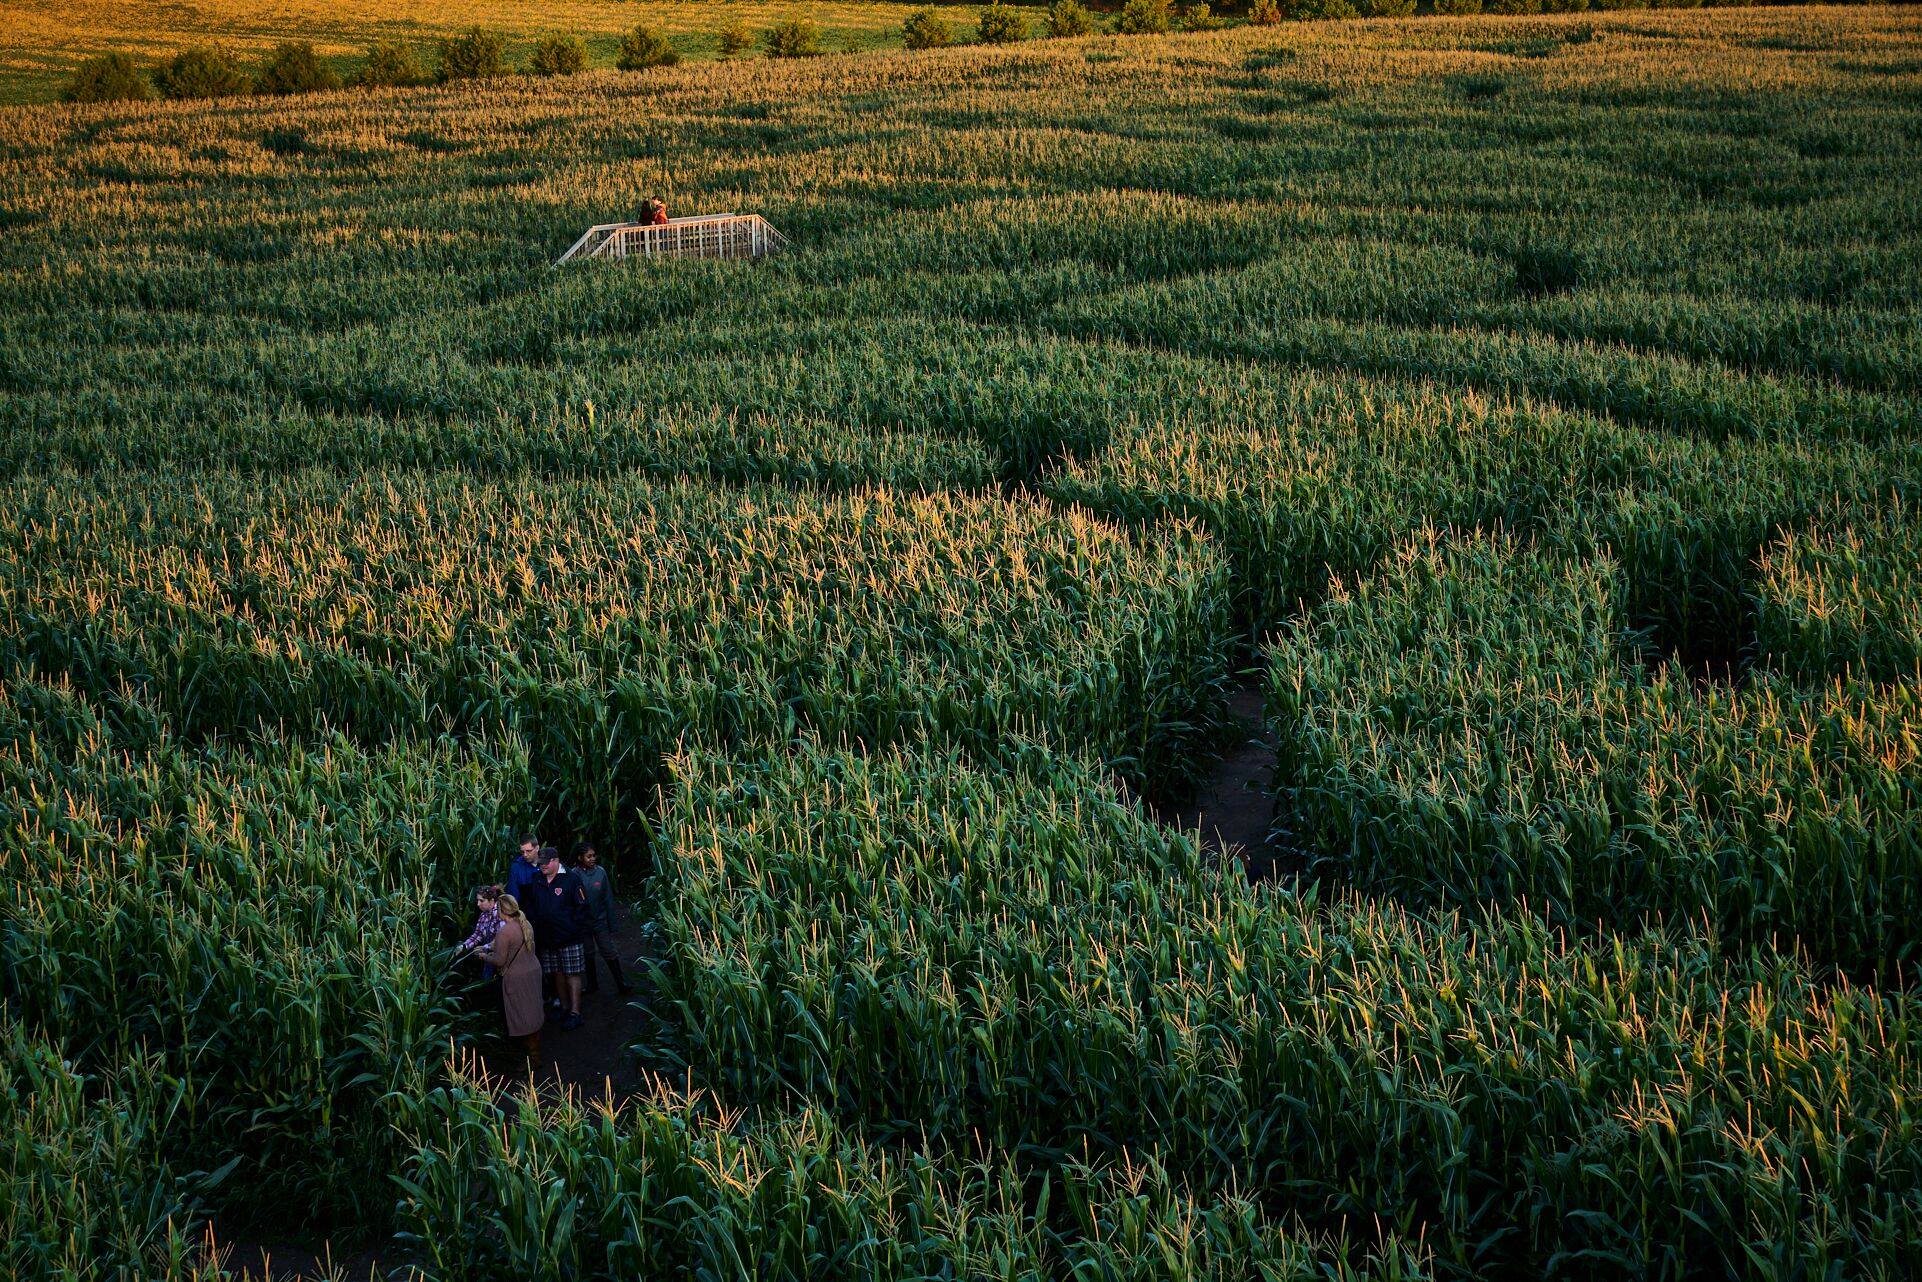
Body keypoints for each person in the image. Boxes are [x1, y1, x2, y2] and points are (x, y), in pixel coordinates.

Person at [524, 847, 590, 1030]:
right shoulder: (537, 878)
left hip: (569, 937)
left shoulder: (571, 879)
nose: (542, 866)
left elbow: (582, 907)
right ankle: (564, 1007)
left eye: (545, 863)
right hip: (547, 937)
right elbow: (532, 904)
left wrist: (573, 927)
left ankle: (576, 1013)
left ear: (556, 861)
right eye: (540, 864)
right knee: (557, 973)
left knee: (572, 973)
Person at [478, 894, 543, 1057]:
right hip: (533, 971)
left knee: (520, 1015)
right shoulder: (525, 924)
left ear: (501, 911)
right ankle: (536, 1052)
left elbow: (500, 961)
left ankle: (527, 1057)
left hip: (516, 978)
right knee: (532, 1011)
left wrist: (483, 956)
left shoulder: (504, 932)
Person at [574, 841, 629, 996]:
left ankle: (621, 983)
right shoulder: (574, 875)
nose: (592, 859)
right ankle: (592, 984)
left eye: (593, 855)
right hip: (583, 923)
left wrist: (612, 924)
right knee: (588, 952)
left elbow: (608, 899)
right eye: (588, 856)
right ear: (580, 858)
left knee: (608, 950)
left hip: (600, 921)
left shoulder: (601, 872)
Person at [457, 884, 505, 977]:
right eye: (477, 900)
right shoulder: (484, 915)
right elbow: (477, 935)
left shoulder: (500, 915)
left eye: (482, 901)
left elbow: (501, 941)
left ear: (491, 901)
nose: (478, 904)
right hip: (489, 958)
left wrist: (484, 948)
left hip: (499, 959)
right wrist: (463, 947)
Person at [506, 834, 542, 904]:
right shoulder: (516, 866)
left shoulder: (548, 863)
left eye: (529, 851)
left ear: (537, 848)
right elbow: (513, 895)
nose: (525, 855)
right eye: (522, 852)